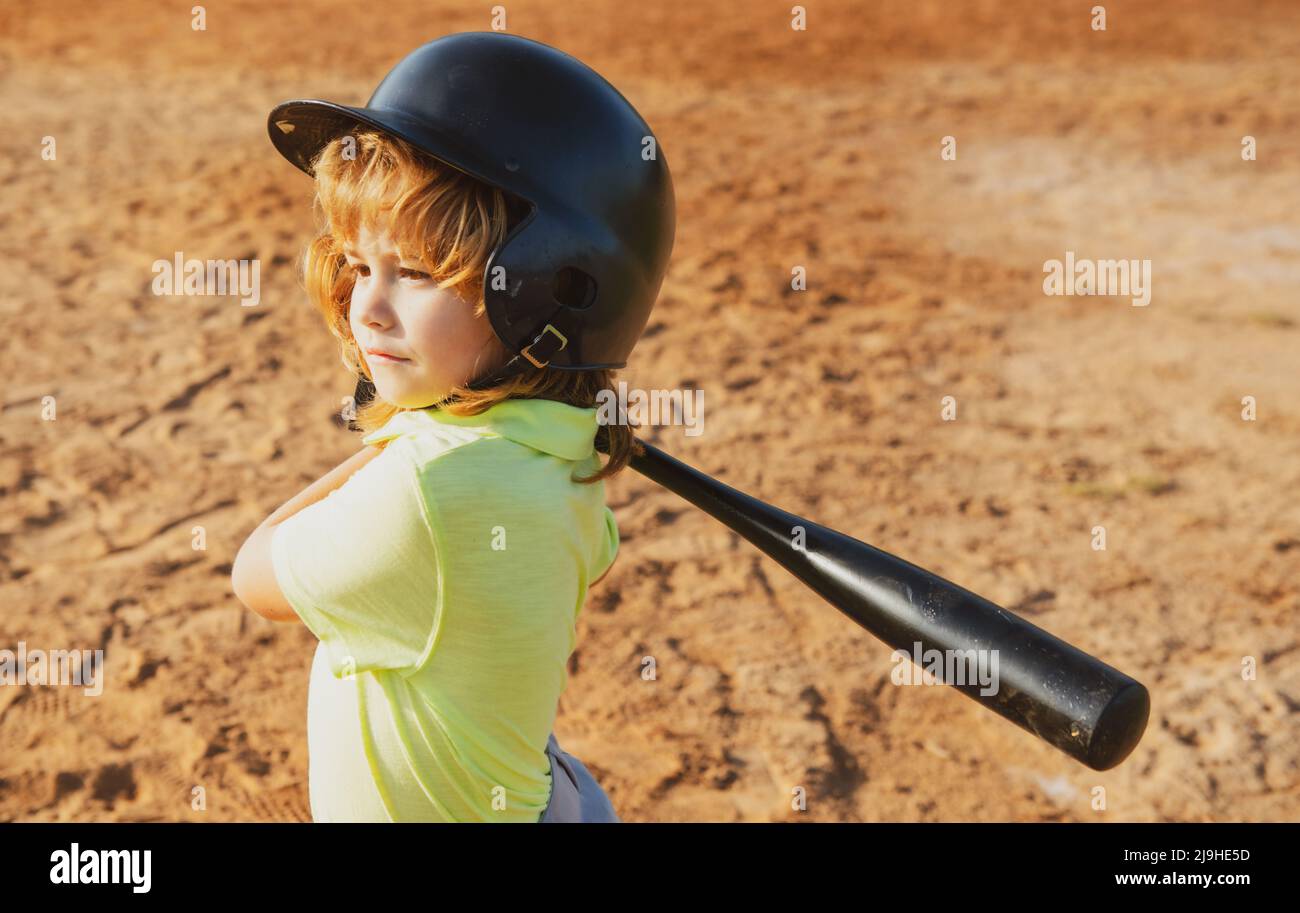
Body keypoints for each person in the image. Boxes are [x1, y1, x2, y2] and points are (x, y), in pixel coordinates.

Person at [230, 32, 675, 822]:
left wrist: (402, 427)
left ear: (551, 293)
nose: (365, 304)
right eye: (360, 264)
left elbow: (254, 573)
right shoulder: (566, 451)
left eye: (419, 272)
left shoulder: (424, 487)